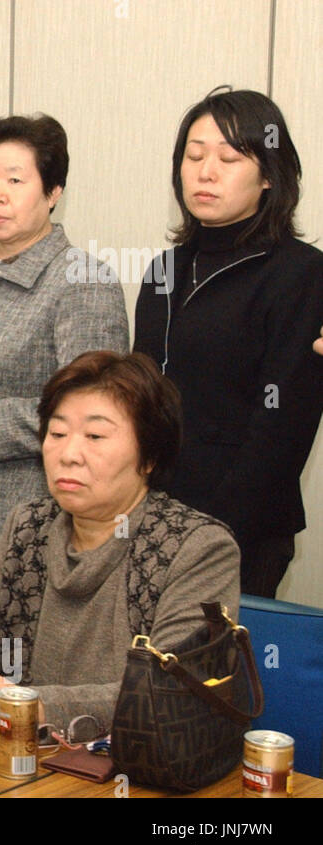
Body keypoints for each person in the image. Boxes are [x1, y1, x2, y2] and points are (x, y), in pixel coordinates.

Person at [0, 350, 240, 736]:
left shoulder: (197, 547)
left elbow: (176, 689)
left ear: (150, 455)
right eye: (56, 434)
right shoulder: (29, 526)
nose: (68, 454)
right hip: (25, 760)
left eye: (95, 436)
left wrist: (36, 706)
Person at [133, 88, 323, 599]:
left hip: (242, 529)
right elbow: (138, 399)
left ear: (268, 175)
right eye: (193, 156)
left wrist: (209, 534)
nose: (205, 171)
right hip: (148, 520)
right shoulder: (164, 272)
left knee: (212, 675)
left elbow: (281, 429)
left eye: (228, 158)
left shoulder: (301, 274)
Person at [0, 114, 128, 549]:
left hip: (30, 514)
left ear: (53, 192)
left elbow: (97, 410)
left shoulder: (83, 281)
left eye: (15, 181)